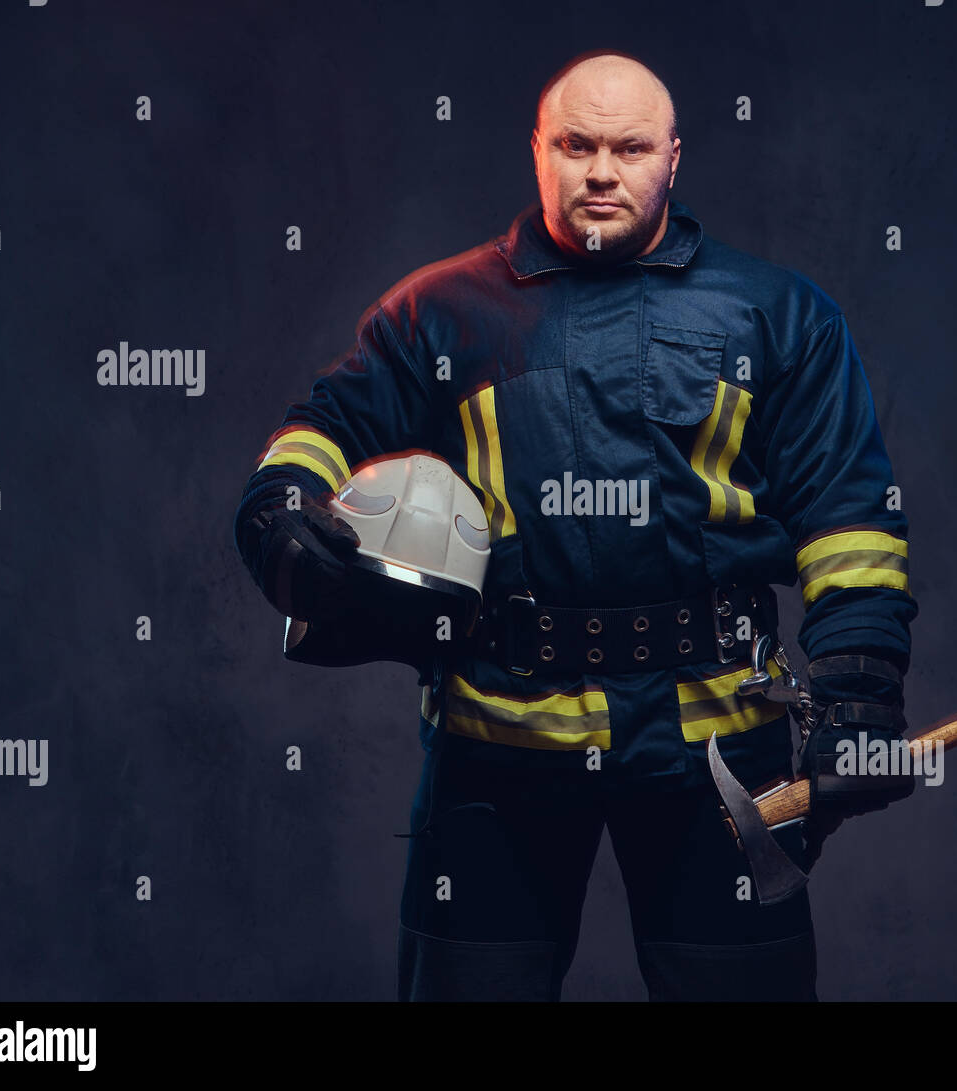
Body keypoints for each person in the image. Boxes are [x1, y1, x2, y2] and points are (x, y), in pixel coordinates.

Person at [233, 49, 918, 1002]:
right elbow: (323, 429)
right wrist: (276, 510)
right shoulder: (440, 313)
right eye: (577, 144)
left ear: (673, 159)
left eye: (630, 147)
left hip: (717, 749)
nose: (602, 170)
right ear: (538, 151)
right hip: (497, 741)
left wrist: (855, 692)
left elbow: (849, 517)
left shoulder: (781, 317)